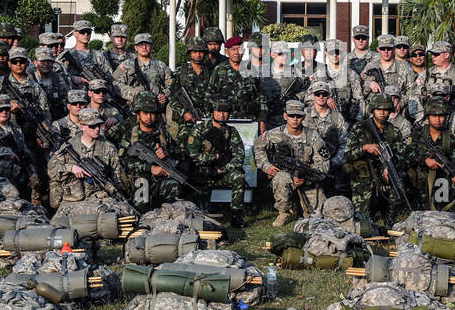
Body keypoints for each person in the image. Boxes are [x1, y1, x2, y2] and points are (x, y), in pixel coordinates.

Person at [254, 100, 330, 226]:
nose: (295, 119)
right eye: (291, 115)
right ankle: (284, 212)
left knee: (318, 216)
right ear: (285, 116)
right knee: (280, 178)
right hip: (285, 175)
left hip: (307, 179)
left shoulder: (314, 137)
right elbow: (257, 147)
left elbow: (324, 164)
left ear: (304, 117)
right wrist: (267, 166)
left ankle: (299, 208)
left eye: (299, 116)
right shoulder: (274, 134)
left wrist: (306, 179)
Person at [47, 107, 130, 218]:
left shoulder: (108, 147)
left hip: (100, 199)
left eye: (98, 125)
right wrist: (71, 168)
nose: (96, 129)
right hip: (73, 200)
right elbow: (51, 168)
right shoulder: (69, 146)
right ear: (82, 126)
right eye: (92, 126)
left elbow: (117, 176)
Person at [345, 93, 414, 224]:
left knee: (398, 177)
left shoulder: (394, 131)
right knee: (361, 174)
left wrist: (389, 167)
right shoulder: (359, 128)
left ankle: (390, 216)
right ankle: (364, 214)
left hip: (384, 169)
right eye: (379, 109)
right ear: (373, 110)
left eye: (386, 109)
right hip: (364, 170)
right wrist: (364, 148)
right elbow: (347, 154)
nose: (382, 112)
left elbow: (402, 155)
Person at [184, 98, 249, 228]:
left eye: (225, 111)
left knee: (239, 177)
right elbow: (193, 155)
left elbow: (239, 156)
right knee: (199, 214)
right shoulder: (200, 129)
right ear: (212, 112)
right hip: (201, 174)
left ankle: (236, 216)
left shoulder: (231, 132)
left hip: (221, 173)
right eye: (218, 111)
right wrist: (214, 157)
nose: (221, 114)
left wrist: (222, 169)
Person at [118, 93, 184, 212]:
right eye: (145, 113)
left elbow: (179, 153)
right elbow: (124, 160)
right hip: (139, 179)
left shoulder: (163, 134)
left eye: (152, 113)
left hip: (160, 180)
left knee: (174, 186)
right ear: (138, 115)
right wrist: (150, 168)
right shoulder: (131, 136)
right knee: (141, 203)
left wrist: (167, 152)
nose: (149, 117)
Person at [207, 36, 267, 130]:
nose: (236, 52)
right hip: (225, 120)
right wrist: (212, 119)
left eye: (239, 49)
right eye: (233, 49)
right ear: (227, 52)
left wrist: (262, 120)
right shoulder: (220, 70)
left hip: (248, 120)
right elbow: (210, 95)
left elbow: (261, 96)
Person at [113, 32, 169, 109]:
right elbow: (114, 82)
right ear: (136, 47)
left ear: (151, 46)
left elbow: (171, 85)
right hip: (134, 108)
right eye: (140, 44)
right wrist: (134, 93)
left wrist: (164, 95)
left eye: (147, 44)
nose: (144, 47)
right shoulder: (126, 64)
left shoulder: (162, 66)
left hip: (157, 107)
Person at [167, 36, 212, 126]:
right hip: (187, 120)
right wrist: (184, 112)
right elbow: (171, 96)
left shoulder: (211, 71)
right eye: (195, 51)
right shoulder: (180, 71)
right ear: (190, 53)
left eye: (201, 52)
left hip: (208, 118)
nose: (198, 55)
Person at [31, 47, 72, 122]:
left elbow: (68, 99)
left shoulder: (59, 79)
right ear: (35, 62)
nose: (46, 64)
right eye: (42, 61)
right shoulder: (30, 80)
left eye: (49, 61)